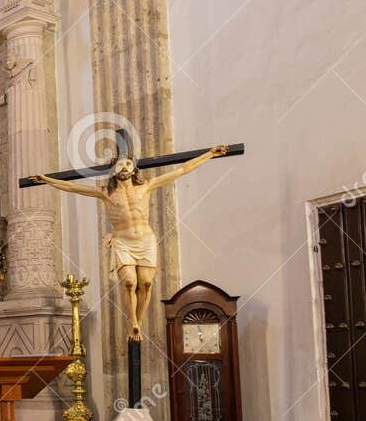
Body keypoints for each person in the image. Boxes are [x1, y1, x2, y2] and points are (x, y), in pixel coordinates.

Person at [31, 146, 230, 340]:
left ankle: (139, 322)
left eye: (128, 164)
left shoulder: (147, 186)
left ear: (134, 169)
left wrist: (210, 154)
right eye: (120, 164)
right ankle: (132, 321)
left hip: (145, 241)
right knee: (129, 282)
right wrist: (47, 180)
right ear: (113, 170)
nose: (124, 167)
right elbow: (72, 186)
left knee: (146, 283)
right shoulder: (105, 192)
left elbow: (182, 170)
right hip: (123, 242)